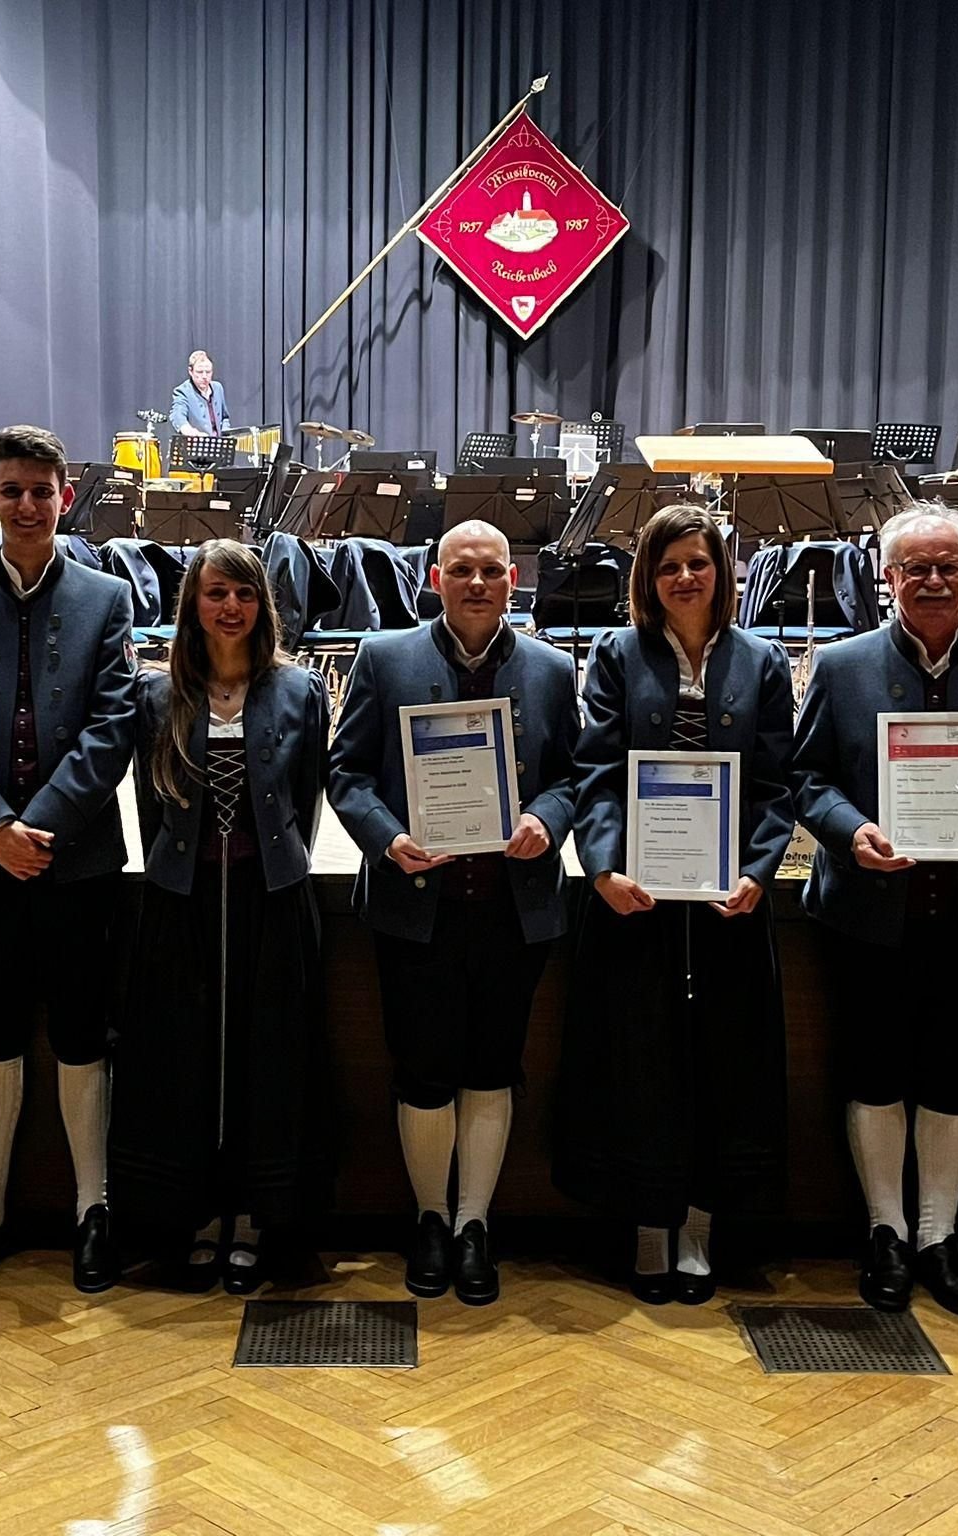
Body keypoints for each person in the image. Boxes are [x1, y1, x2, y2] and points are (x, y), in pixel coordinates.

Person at [790, 503, 958, 1318]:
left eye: (949, 565)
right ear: (888, 577)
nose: (934, 579)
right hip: (869, 911)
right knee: (873, 1071)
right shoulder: (841, 667)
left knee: (952, 1076)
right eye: (916, 567)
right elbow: (807, 779)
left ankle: (938, 1236)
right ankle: (884, 1231)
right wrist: (852, 830)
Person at [327, 520, 579, 1305]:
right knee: (423, 1069)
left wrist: (549, 818)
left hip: (513, 907)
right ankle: (430, 1219)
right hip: (416, 905)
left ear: (514, 581)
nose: (477, 584)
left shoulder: (552, 668)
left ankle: (475, 1224)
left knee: (494, 1066)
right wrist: (387, 837)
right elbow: (348, 772)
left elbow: (576, 775)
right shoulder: (384, 657)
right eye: (462, 570)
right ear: (435, 579)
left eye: (493, 571)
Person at [0, 425, 138, 1293]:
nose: (27, 505)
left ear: (64, 497)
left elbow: (113, 725)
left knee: (85, 1032)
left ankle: (95, 1206)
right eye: (12, 490)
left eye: (42, 490)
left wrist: (36, 826)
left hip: (77, 862)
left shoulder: (106, 598)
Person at [555, 506, 795, 1304]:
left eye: (699, 562)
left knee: (722, 1063)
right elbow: (595, 773)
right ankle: (647, 1226)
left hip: (729, 902)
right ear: (648, 582)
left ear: (722, 571)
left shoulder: (760, 659)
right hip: (638, 899)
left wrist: (759, 869)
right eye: (669, 567)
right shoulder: (619, 656)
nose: (686, 577)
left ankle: (698, 1226)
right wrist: (604, 868)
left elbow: (774, 783)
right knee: (641, 1063)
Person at [111, 540, 331, 1293]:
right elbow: (148, 807)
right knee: (182, 1062)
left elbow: (306, 802)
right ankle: (192, 1221)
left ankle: (265, 1219)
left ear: (261, 605)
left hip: (274, 901)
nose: (229, 608)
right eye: (215, 594)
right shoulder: (154, 696)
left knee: (272, 1060)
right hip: (183, 902)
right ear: (192, 605)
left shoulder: (300, 692)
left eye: (242, 594)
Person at [169, 351, 232, 438]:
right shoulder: (183, 391)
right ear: (190, 371)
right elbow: (177, 415)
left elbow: (225, 418)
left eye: (208, 372)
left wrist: (226, 434)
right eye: (199, 372)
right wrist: (190, 431)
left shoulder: (218, 388)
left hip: (218, 445)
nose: (204, 376)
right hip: (196, 447)